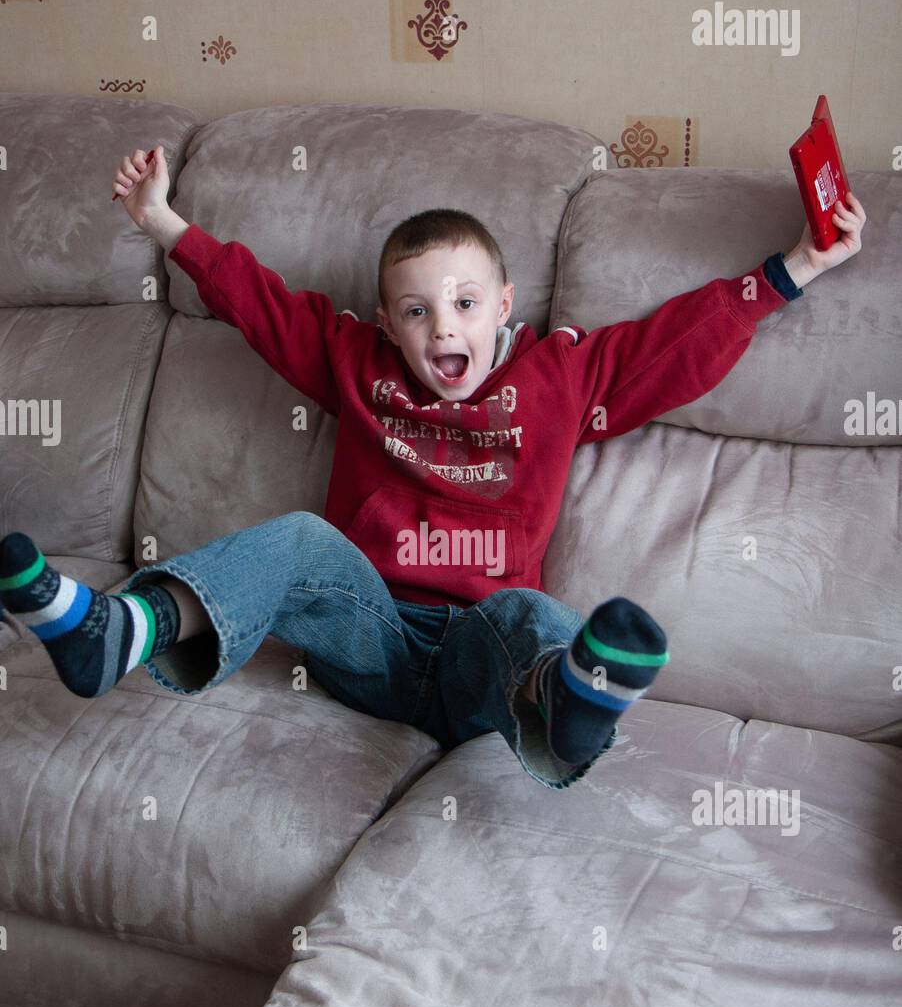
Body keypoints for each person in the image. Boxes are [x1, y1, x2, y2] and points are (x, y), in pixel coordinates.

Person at [0, 145, 866, 789]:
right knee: (304, 539)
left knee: (531, 611)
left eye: (461, 305)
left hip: (481, 656)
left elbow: (671, 349)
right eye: (416, 312)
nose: (441, 329)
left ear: (503, 307)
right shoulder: (356, 363)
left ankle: (568, 712)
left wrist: (794, 269)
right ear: (385, 321)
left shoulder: (559, 375)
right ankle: (119, 633)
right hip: (368, 632)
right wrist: (160, 222)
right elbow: (259, 305)